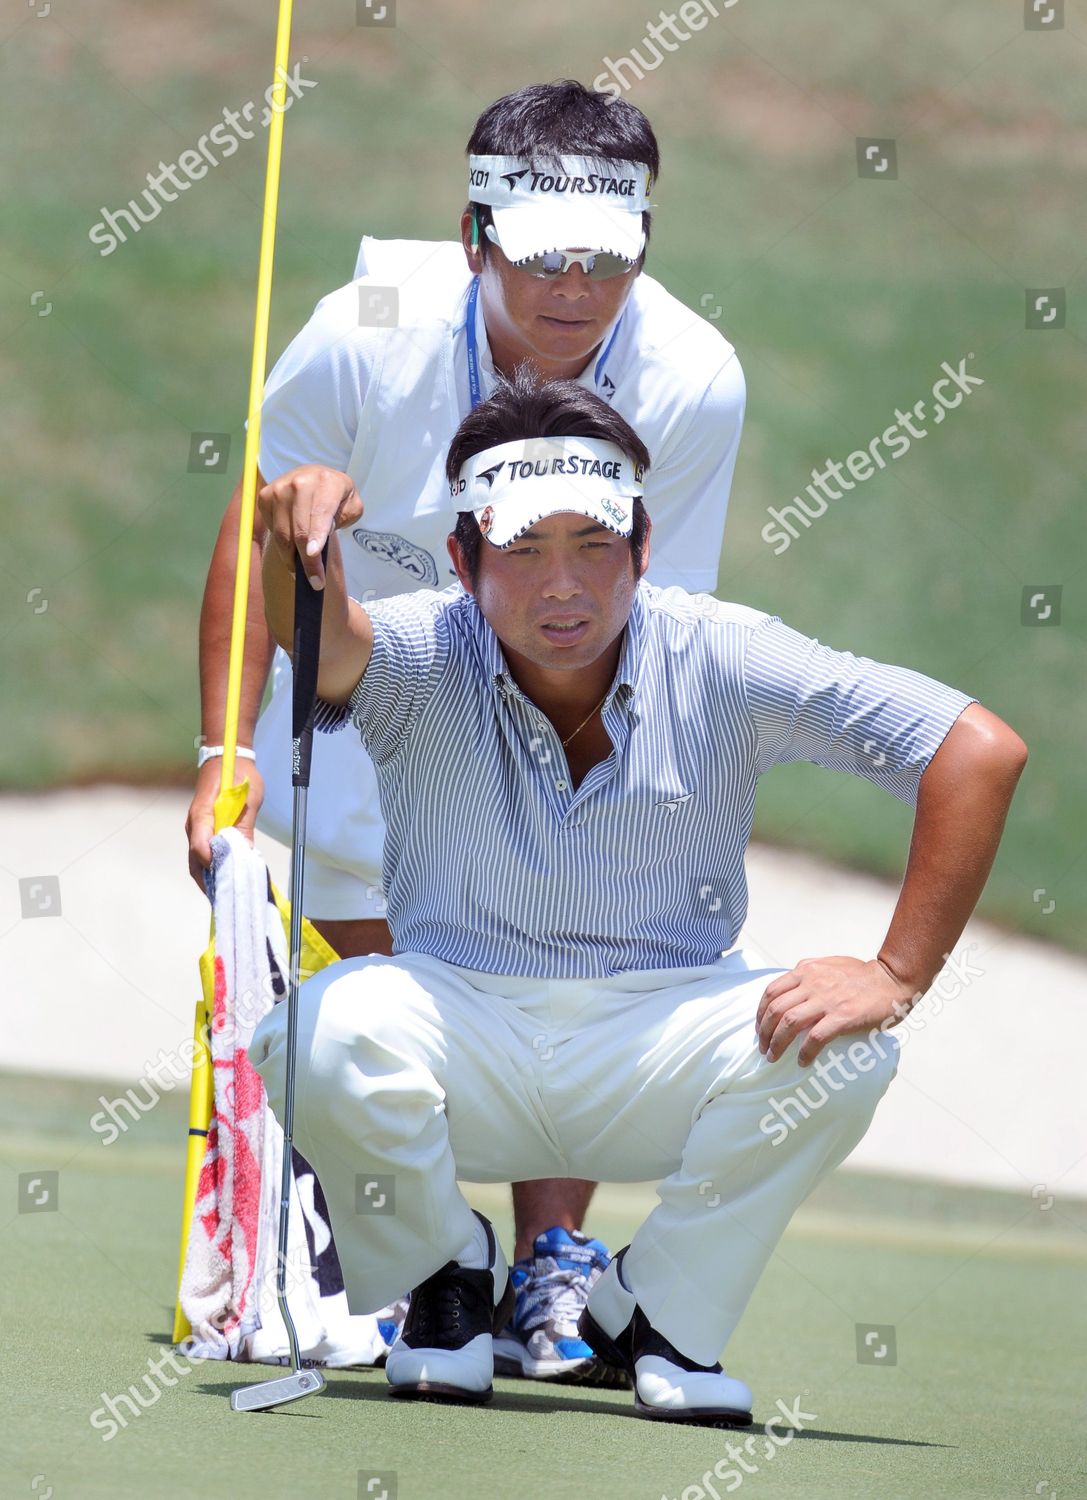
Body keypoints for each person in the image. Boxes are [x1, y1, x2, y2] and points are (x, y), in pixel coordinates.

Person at [248, 371, 1027, 1422]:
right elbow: (319, 637)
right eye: (523, 549)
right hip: (460, 1025)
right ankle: (443, 1275)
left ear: (644, 547)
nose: (561, 585)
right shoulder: (423, 648)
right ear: (463, 563)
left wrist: (896, 972)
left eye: (593, 544)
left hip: (660, 1038)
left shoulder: (725, 652)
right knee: (310, 1034)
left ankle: (658, 1313)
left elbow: (975, 750)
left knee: (846, 1052)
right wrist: (287, 532)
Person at [186, 79, 747, 1381]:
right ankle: (440, 1256)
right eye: (541, 255)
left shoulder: (691, 378)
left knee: (570, 935)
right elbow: (253, 528)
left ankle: (551, 1266)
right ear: (472, 236)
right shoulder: (363, 331)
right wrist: (222, 754)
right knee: (399, 985)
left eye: (605, 256)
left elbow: (653, 614)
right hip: (361, 668)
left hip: (566, 669)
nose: (574, 288)